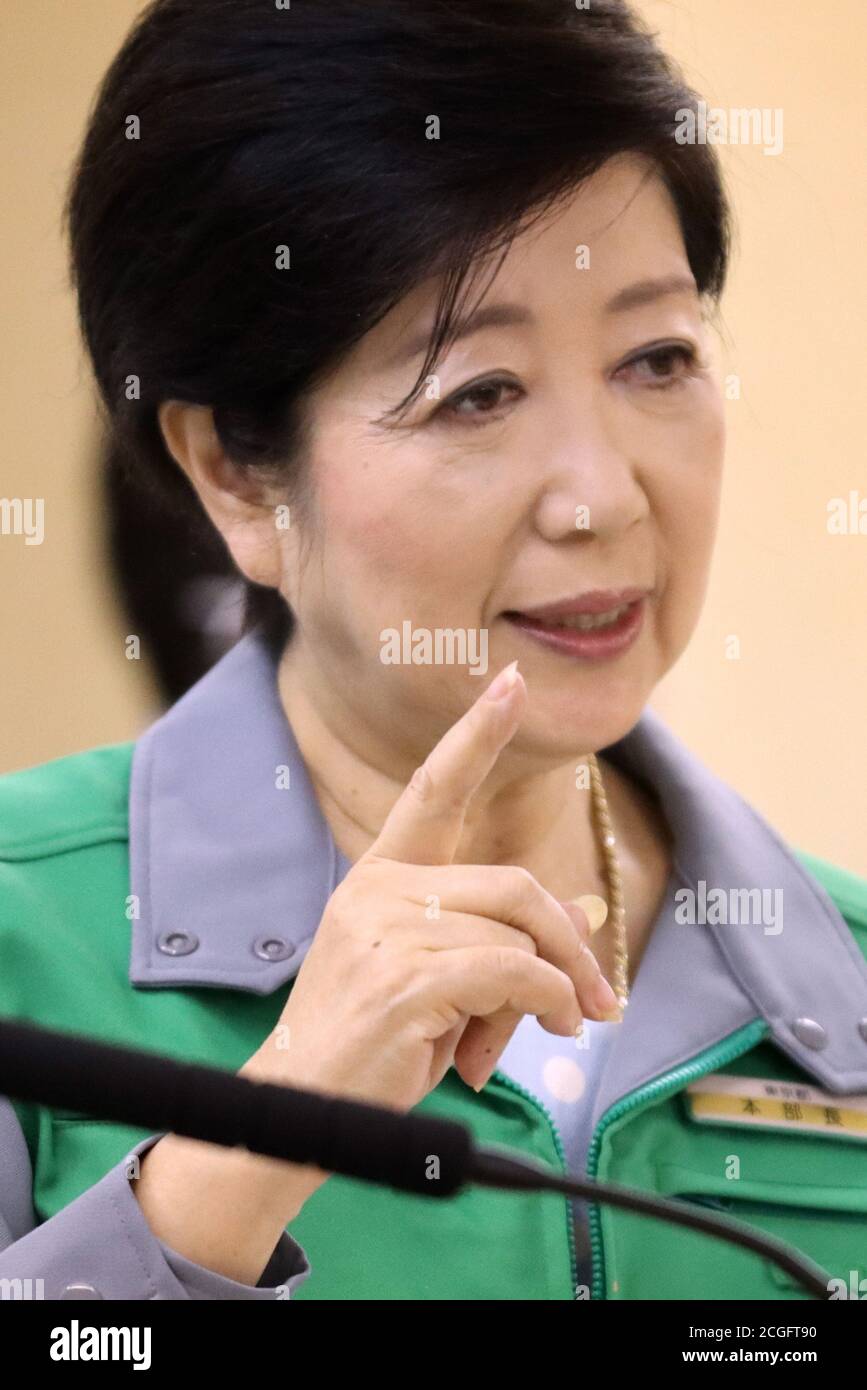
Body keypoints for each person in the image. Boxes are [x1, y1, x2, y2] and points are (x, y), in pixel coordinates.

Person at [1, 0, 865, 1301]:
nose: (603, 497)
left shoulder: (843, 984)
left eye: (658, 357)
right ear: (237, 473)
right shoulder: (24, 939)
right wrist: (240, 1162)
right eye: (478, 393)